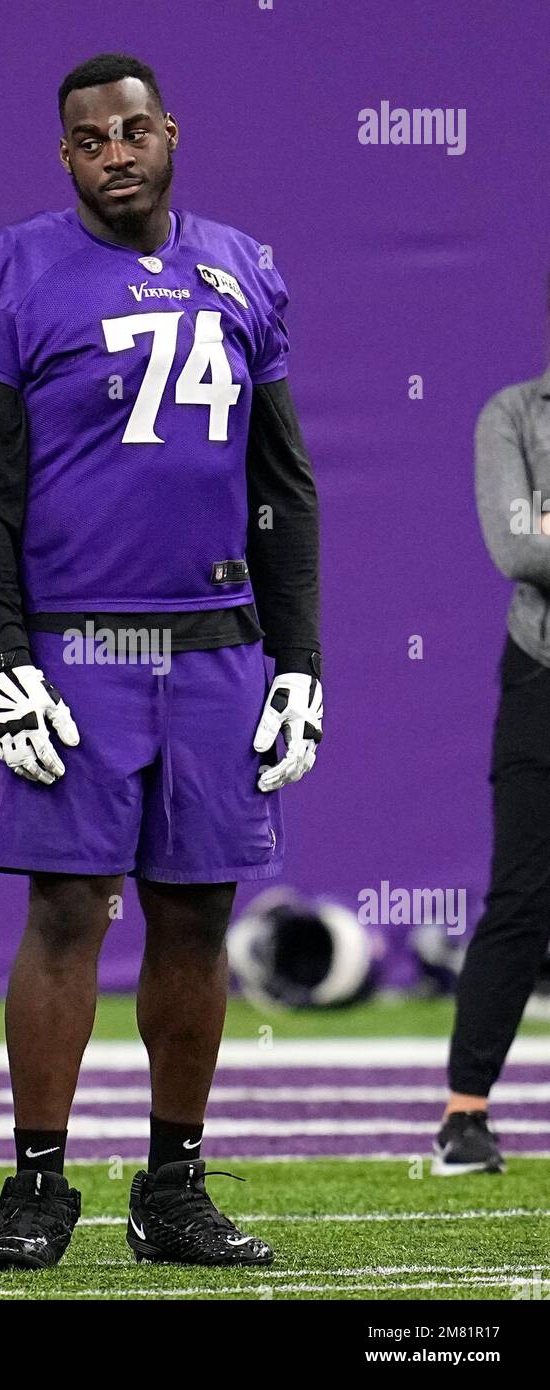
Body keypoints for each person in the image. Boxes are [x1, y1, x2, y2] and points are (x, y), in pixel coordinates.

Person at [0, 53, 322, 1268]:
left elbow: (282, 486)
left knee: (197, 918)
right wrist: (2, 657)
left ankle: (174, 1189)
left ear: (168, 134)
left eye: (132, 130)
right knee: (64, 912)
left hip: (214, 644)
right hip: (78, 642)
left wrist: (298, 662)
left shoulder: (242, 266)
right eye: (89, 138)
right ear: (65, 156)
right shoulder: (1, 271)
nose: (114, 152)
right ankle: (38, 1185)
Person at [435, 335, 550, 1175]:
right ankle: (464, 1117)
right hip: (542, 672)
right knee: (522, 894)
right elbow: (517, 548)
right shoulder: (512, 413)